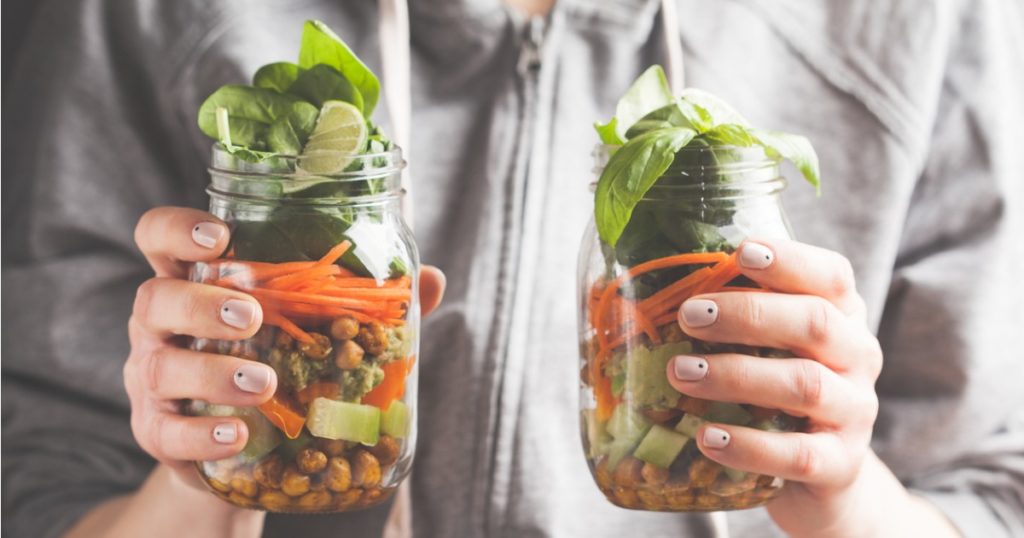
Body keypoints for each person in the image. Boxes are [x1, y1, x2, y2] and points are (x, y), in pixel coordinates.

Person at [3, 0, 1022, 537]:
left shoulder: (917, 18)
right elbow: (38, 489)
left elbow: (993, 490)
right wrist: (209, 478)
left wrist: (844, 499)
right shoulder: (138, 13)